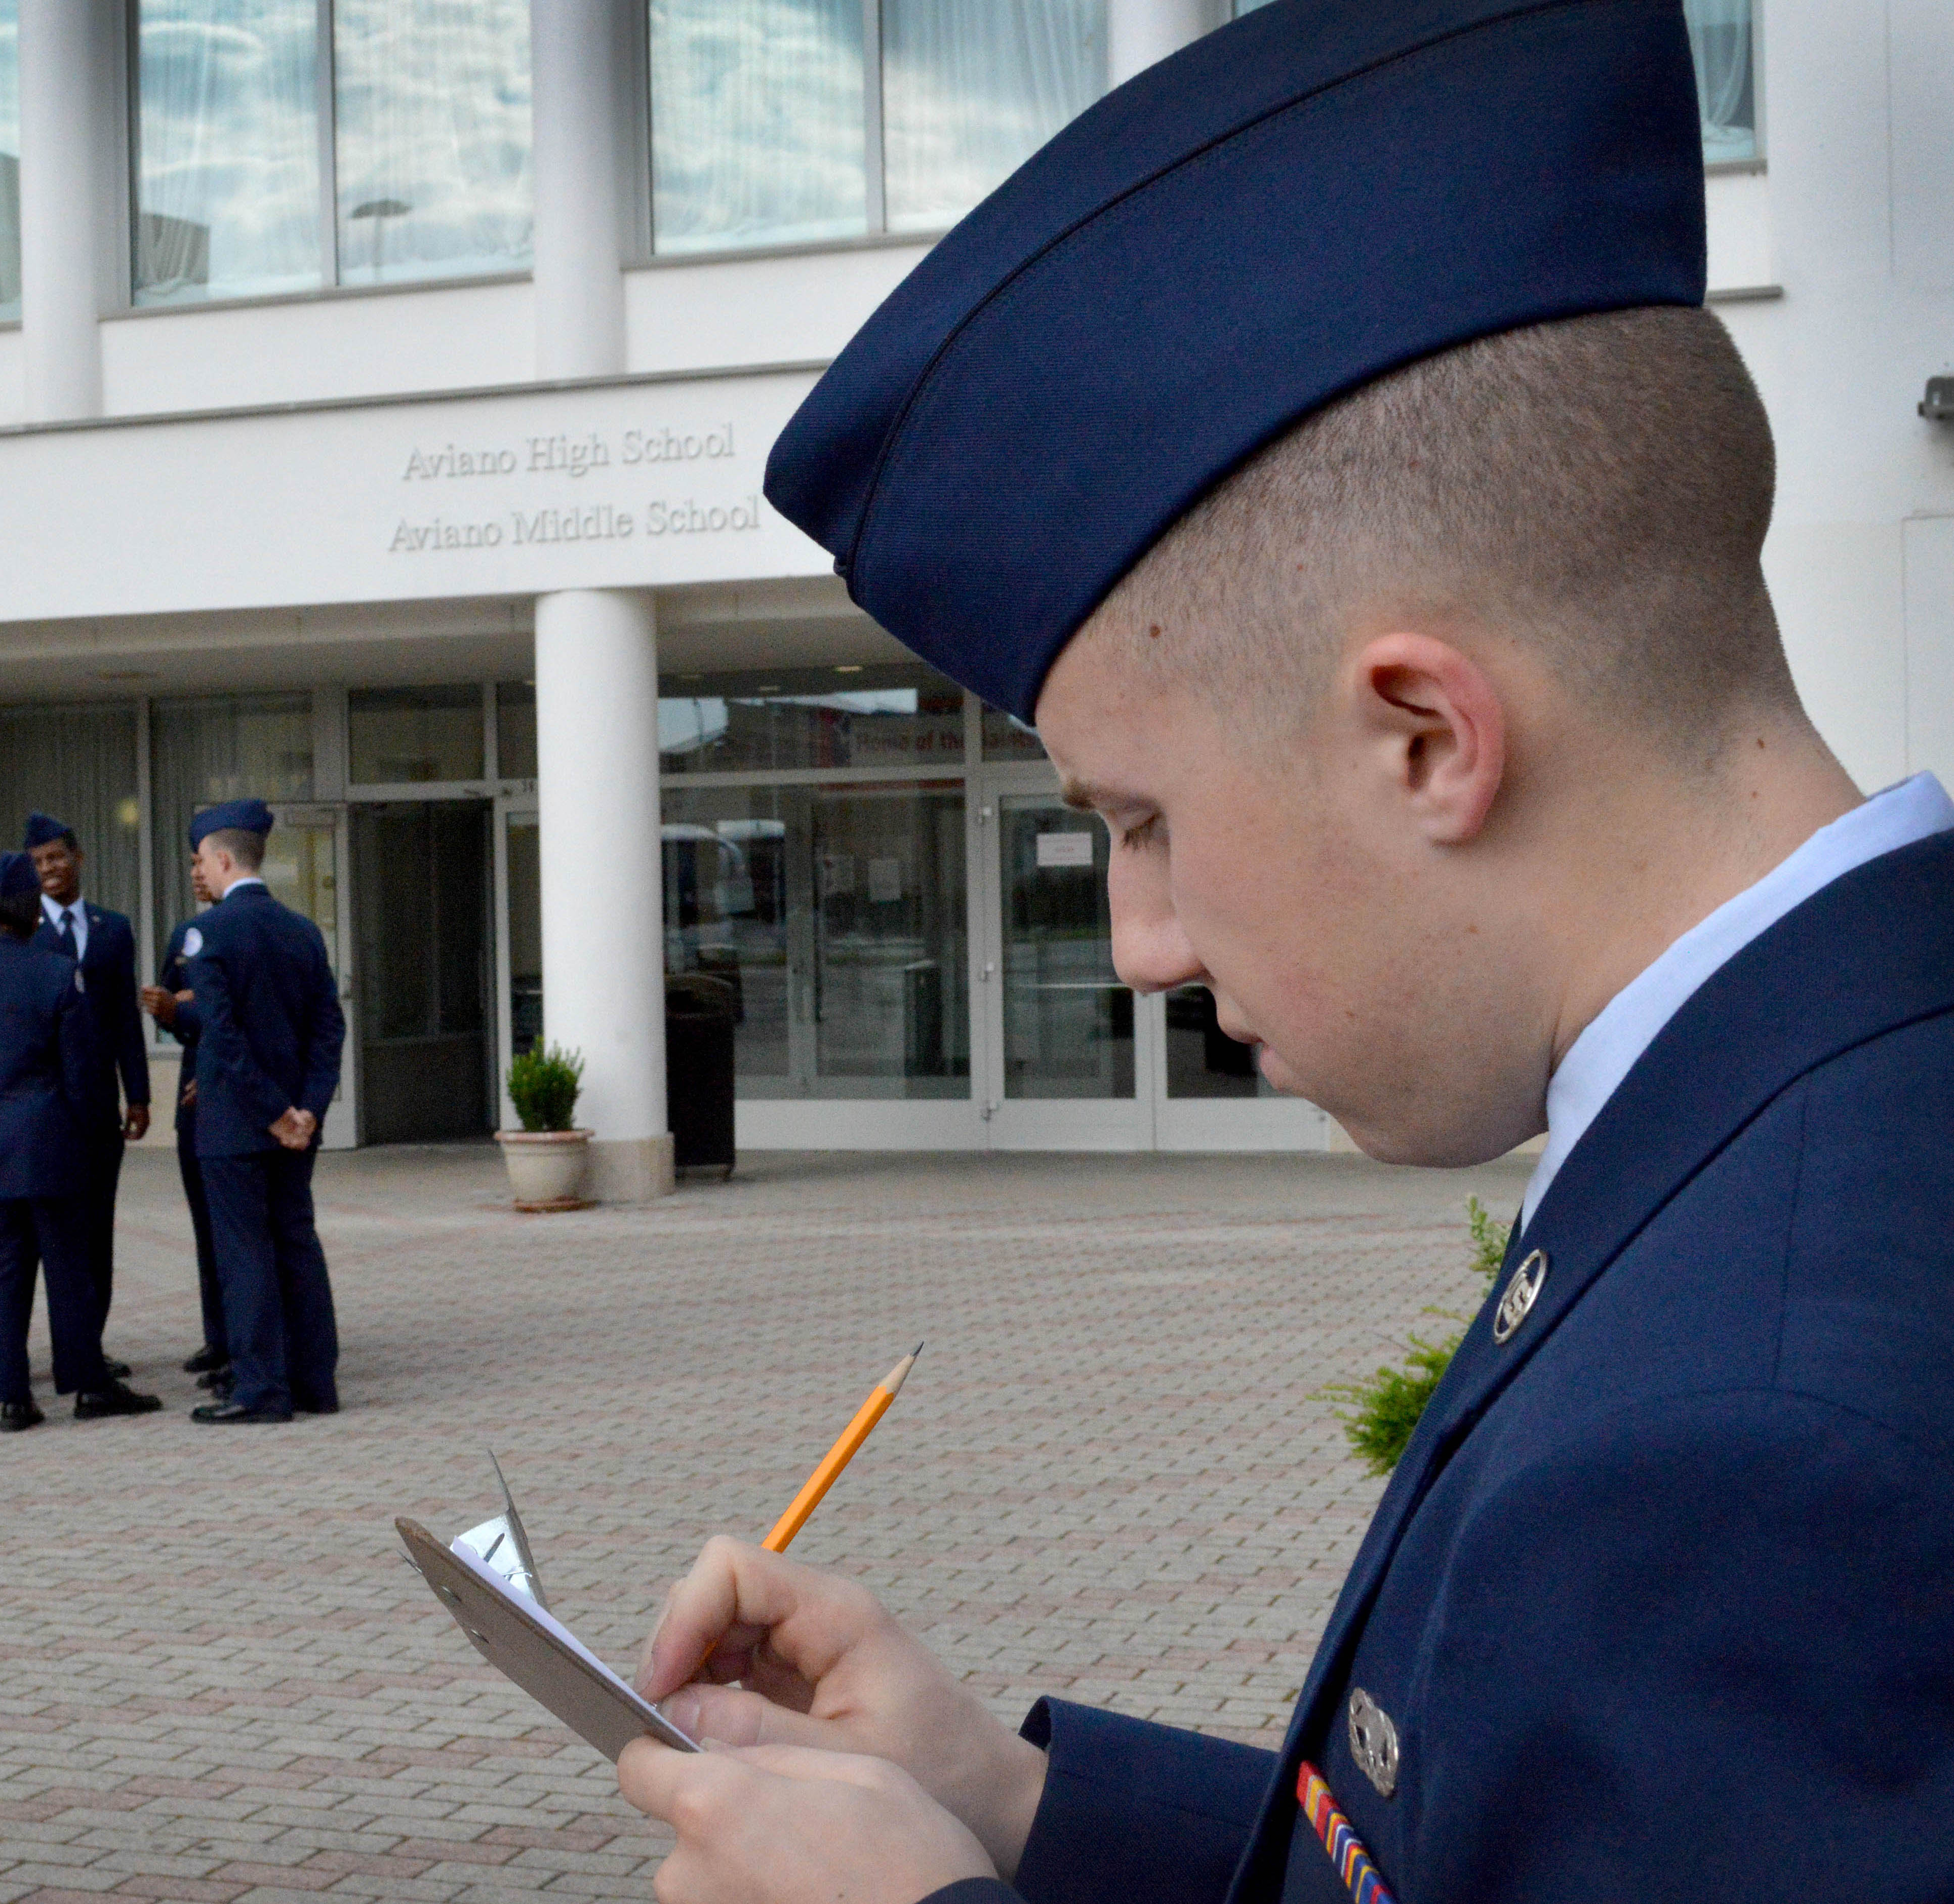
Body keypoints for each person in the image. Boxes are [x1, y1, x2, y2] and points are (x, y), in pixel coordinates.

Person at [613, 2, 1954, 1901]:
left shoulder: (1749, 1445)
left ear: (1421, 735)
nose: (1141, 943)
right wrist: (1007, 1803)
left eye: (1140, 819)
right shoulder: (1823, 1115)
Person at [0, 851, 162, 1433]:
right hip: (46, 1137)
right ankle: (87, 1383)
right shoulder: (57, 972)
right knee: (68, 1265)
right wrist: (89, 1134)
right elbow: (81, 1073)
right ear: (33, 911)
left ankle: (12, 1397)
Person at [177, 801, 346, 1425]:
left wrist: (273, 1111)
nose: (200, 871)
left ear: (223, 860)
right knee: (297, 1243)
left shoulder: (211, 934)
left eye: (201, 860)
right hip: (295, 1128)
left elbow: (222, 1035)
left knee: (244, 1252)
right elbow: (329, 1029)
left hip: (236, 1126)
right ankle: (314, 1384)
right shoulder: (302, 931)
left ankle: (260, 1389)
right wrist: (307, 1108)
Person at [24, 813, 150, 1380]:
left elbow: (125, 1017)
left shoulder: (112, 928)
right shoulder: (21, 929)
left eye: (55, 857)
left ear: (77, 858)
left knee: (97, 1227)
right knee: (48, 1231)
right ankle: (55, 1348)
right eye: (38, 862)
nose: (49, 869)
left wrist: (139, 1095)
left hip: (99, 1104)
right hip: (44, 1104)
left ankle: (89, 1345)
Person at [142, 852, 229, 1389]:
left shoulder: (246, 929)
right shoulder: (186, 933)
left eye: (203, 861)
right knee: (206, 1225)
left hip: (232, 1091)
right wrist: (176, 1011)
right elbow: (171, 1012)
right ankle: (218, 1334)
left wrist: (191, 1008)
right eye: (190, 862)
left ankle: (249, 1341)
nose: (195, 872)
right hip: (196, 1095)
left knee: (237, 1227)